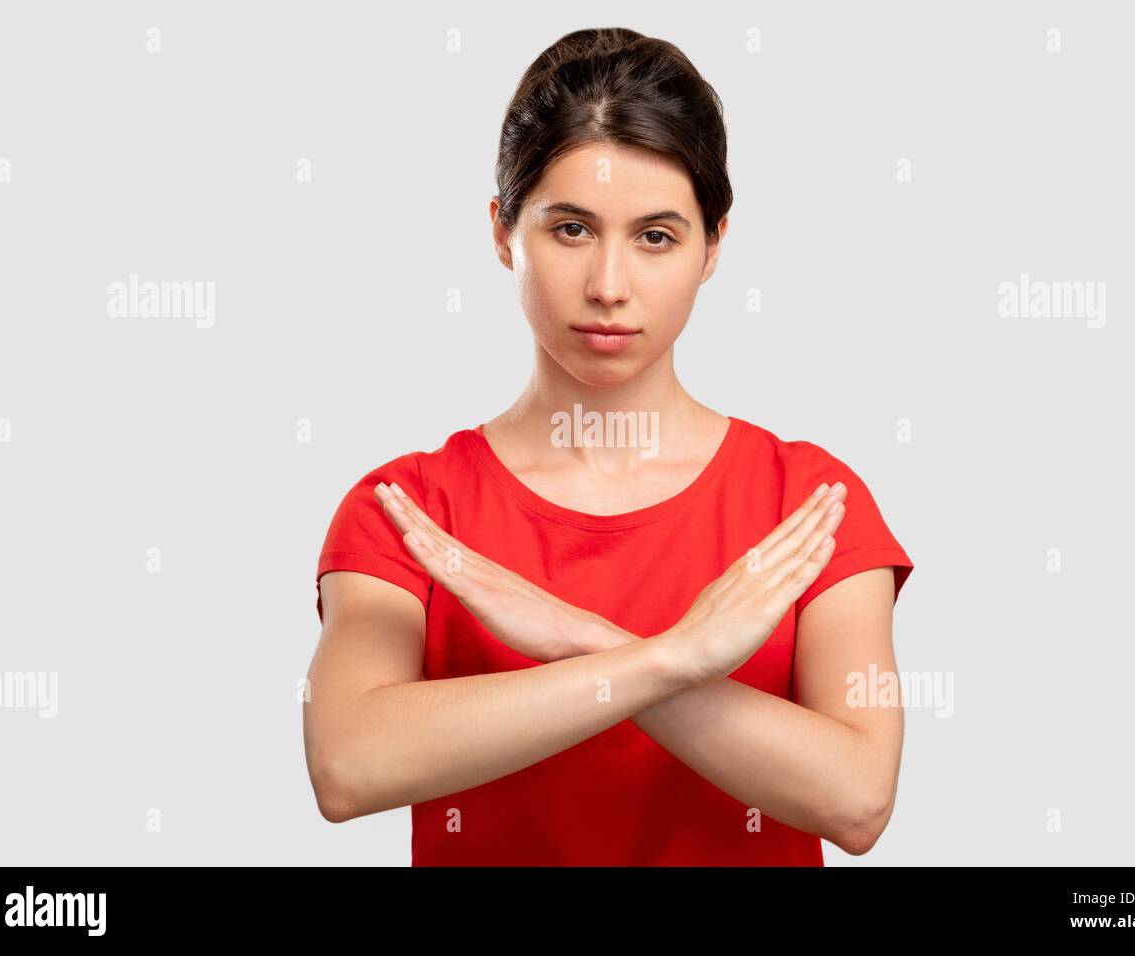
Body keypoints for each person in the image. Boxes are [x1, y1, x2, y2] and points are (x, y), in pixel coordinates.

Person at [304, 27, 913, 866]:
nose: (609, 287)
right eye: (571, 230)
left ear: (714, 246)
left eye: (656, 236)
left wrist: (580, 638)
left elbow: (856, 799)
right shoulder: (411, 511)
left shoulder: (808, 503)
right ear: (502, 231)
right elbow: (347, 764)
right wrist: (670, 657)